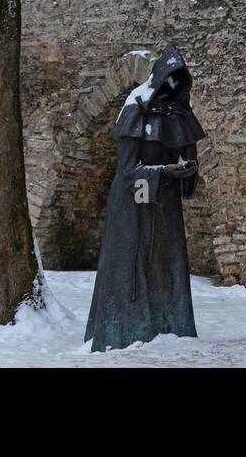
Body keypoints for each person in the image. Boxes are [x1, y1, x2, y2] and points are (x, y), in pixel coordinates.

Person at [85, 45, 203, 352]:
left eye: (178, 81)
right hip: (133, 207)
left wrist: (187, 166)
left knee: (166, 266)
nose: (173, 86)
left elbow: (187, 172)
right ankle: (121, 332)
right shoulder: (136, 107)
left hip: (164, 208)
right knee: (130, 268)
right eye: (169, 79)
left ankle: (168, 327)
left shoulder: (180, 114)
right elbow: (126, 173)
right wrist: (163, 171)